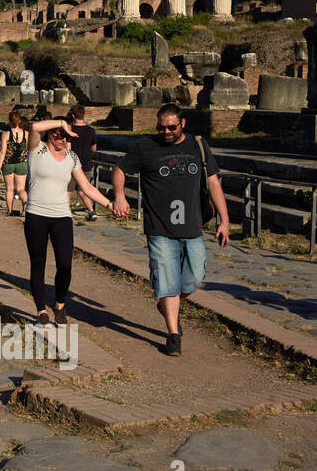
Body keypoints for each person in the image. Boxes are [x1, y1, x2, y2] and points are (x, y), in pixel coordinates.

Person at [112, 104, 231, 357]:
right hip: (160, 228)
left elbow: (213, 183)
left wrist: (225, 220)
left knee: (194, 278)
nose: (165, 131)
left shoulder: (198, 146)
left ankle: (167, 305)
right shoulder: (146, 147)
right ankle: (173, 334)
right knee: (167, 281)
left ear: (183, 124)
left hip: (192, 227)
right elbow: (120, 169)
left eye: (171, 127)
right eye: (161, 127)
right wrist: (120, 196)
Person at [24, 118, 120, 324]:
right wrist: (61, 123)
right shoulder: (36, 149)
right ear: (50, 133)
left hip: (61, 217)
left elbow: (86, 187)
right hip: (36, 215)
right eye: (58, 134)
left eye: (66, 136)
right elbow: (34, 127)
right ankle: (41, 310)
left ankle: (59, 302)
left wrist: (110, 205)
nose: (62, 138)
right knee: (38, 263)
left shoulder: (71, 157)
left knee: (65, 264)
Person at [0, 110, 30, 216]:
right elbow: (29, 150)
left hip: (8, 163)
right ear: (19, 120)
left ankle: (10, 211)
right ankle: (26, 204)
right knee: (21, 189)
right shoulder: (26, 134)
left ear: (10, 121)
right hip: (22, 163)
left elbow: (2, 152)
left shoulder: (6, 134)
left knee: (9, 189)